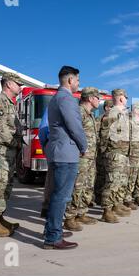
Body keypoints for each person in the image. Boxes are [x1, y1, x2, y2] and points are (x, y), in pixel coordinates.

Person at [43, 66, 87, 250]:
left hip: (57, 151)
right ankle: (54, 237)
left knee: (56, 195)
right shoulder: (66, 99)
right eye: (77, 80)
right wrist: (84, 146)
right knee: (61, 197)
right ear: (70, 80)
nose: (78, 83)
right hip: (66, 154)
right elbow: (75, 126)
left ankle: (52, 229)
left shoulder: (56, 98)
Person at [0, 72, 24, 237]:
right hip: (0, 151)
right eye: (18, 84)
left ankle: (0, 219)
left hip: (8, 152)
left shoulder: (9, 103)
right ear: (8, 84)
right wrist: (16, 143)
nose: (20, 87)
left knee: (5, 186)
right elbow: (0, 129)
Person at [63, 87, 101, 231]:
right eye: (97, 98)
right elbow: (73, 133)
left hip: (90, 158)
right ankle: (69, 217)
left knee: (87, 186)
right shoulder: (79, 112)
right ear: (90, 98)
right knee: (76, 187)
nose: (99, 101)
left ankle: (81, 212)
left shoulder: (89, 114)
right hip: (81, 157)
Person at [99, 89, 131, 222]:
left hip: (122, 152)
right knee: (112, 182)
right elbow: (105, 133)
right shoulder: (113, 113)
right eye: (125, 98)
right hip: (115, 152)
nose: (127, 100)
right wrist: (107, 150)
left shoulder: (121, 113)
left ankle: (116, 205)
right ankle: (107, 211)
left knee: (121, 181)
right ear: (121, 98)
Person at [95, 99, 113, 204]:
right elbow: (96, 135)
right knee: (101, 175)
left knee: (109, 175)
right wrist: (100, 146)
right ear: (107, 108)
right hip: (102, 151)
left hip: (111, 151)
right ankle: (98, 197)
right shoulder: (99, 120)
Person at [38, 107, 53, 218]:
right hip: (56, 146)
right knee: (53, 178)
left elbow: (43, 130)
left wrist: (44, 145)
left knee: (51, 177)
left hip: (51, 144)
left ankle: (46, 207)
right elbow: (43, 129)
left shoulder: (51, 107)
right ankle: (49, 209)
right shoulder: (51, 108)